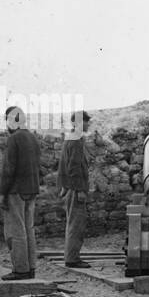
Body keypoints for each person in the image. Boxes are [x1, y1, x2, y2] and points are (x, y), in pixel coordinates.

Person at [0, 105, 40, 281]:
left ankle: (20, 270)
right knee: (29, 230)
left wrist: (3, 193)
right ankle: (30, 268)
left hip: (15, 191)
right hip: (31, 190)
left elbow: (9, 169)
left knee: (16, 231)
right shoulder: (32, 138)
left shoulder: (14, 139)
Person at [57, 110, 93, 268]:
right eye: (84, 121)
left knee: (73, 223)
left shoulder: (72, 138)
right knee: (76, 224)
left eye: (86, 121)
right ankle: (72, 259)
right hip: (76, 189)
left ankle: (71, 256)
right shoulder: (76, 140)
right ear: (75, 123)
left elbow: (64, 166)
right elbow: (74, 168)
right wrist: (80, 190)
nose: (87, 124)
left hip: (71, 188)